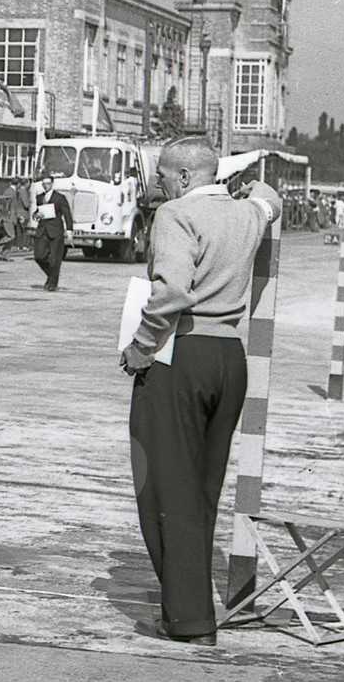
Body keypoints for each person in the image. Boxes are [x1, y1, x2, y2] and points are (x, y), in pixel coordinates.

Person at [121, 136, 282, 644]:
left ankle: (189, 619)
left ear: (187, 178)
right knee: (203, 488)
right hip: (229, 361)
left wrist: (139, 347)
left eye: (166, 175)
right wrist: (254, 188)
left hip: (180, 356)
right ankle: (188, 607)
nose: (161, 185)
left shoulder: (174, 215)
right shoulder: (247, 214)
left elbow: (170, 292)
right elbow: (271, 199)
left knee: (165, 487)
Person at [31, 173, 73, 290]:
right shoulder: (39, 197)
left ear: (52, 184)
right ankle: (51, 276)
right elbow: (36, 212)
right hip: (42, 230)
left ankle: (52, 284)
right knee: (39, 256)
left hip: (56, 231)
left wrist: (69, 230)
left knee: (55, 259)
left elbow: (67, 214)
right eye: (44, 184)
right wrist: (36, 215)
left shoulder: (60, 198)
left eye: (48, 183)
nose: (46, 186)